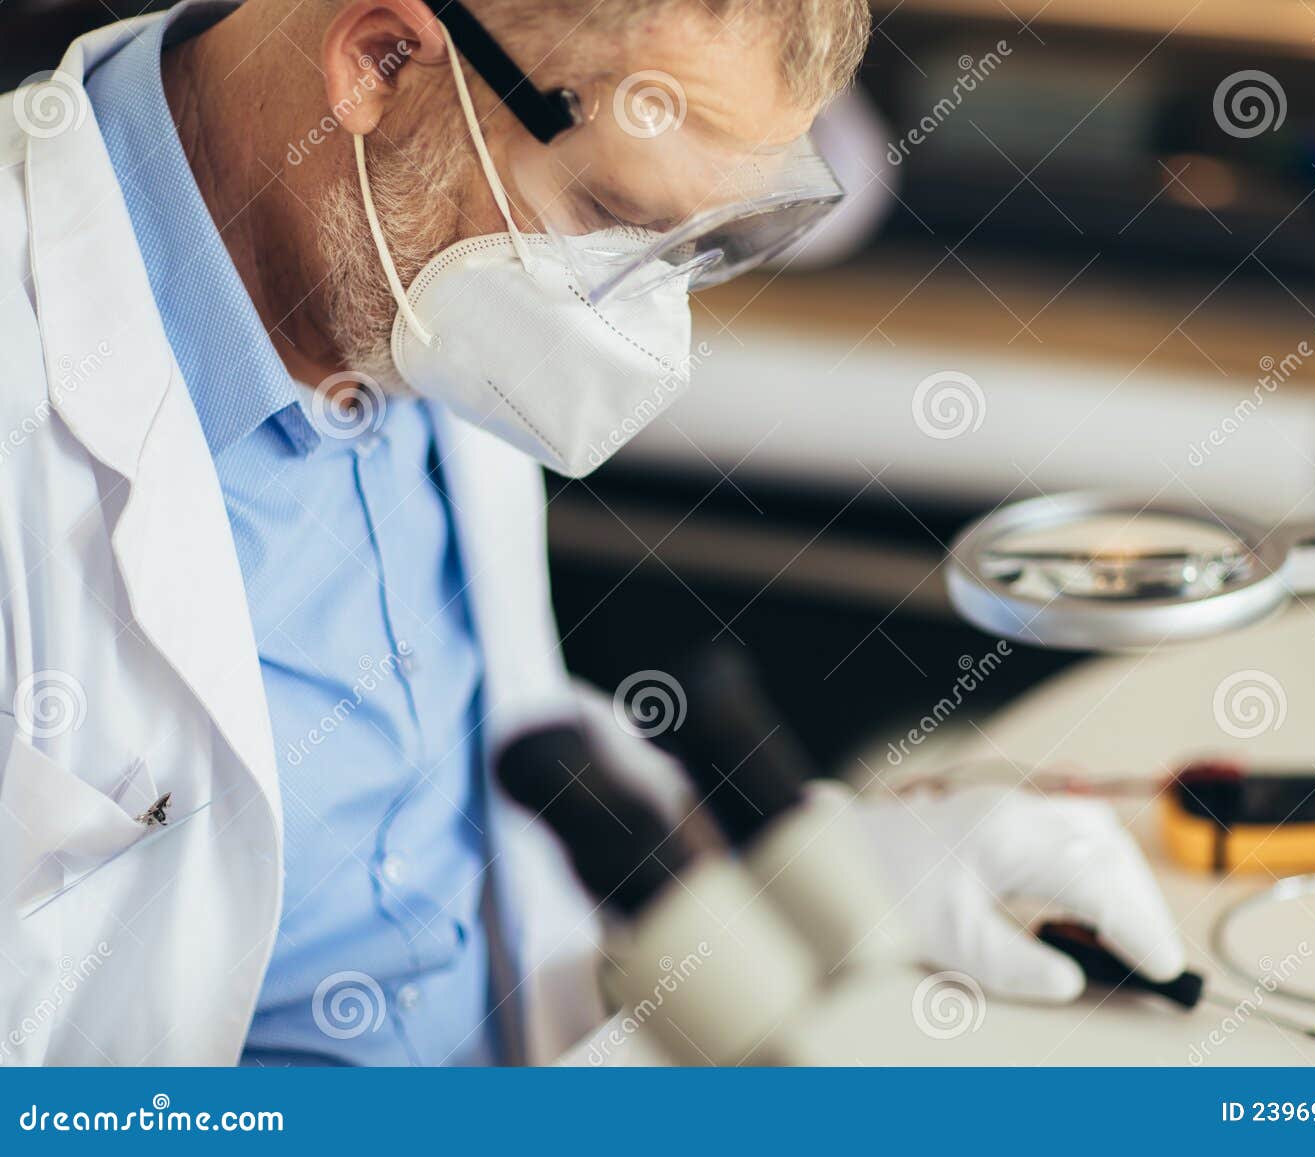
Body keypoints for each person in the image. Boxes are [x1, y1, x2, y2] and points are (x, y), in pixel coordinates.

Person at [0, 0, 1185, 1065]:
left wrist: (841, 877)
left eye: (698, 247)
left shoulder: (399, 289)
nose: (644, 332)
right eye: (613, 215)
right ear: (381, 59)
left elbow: (463, 789)